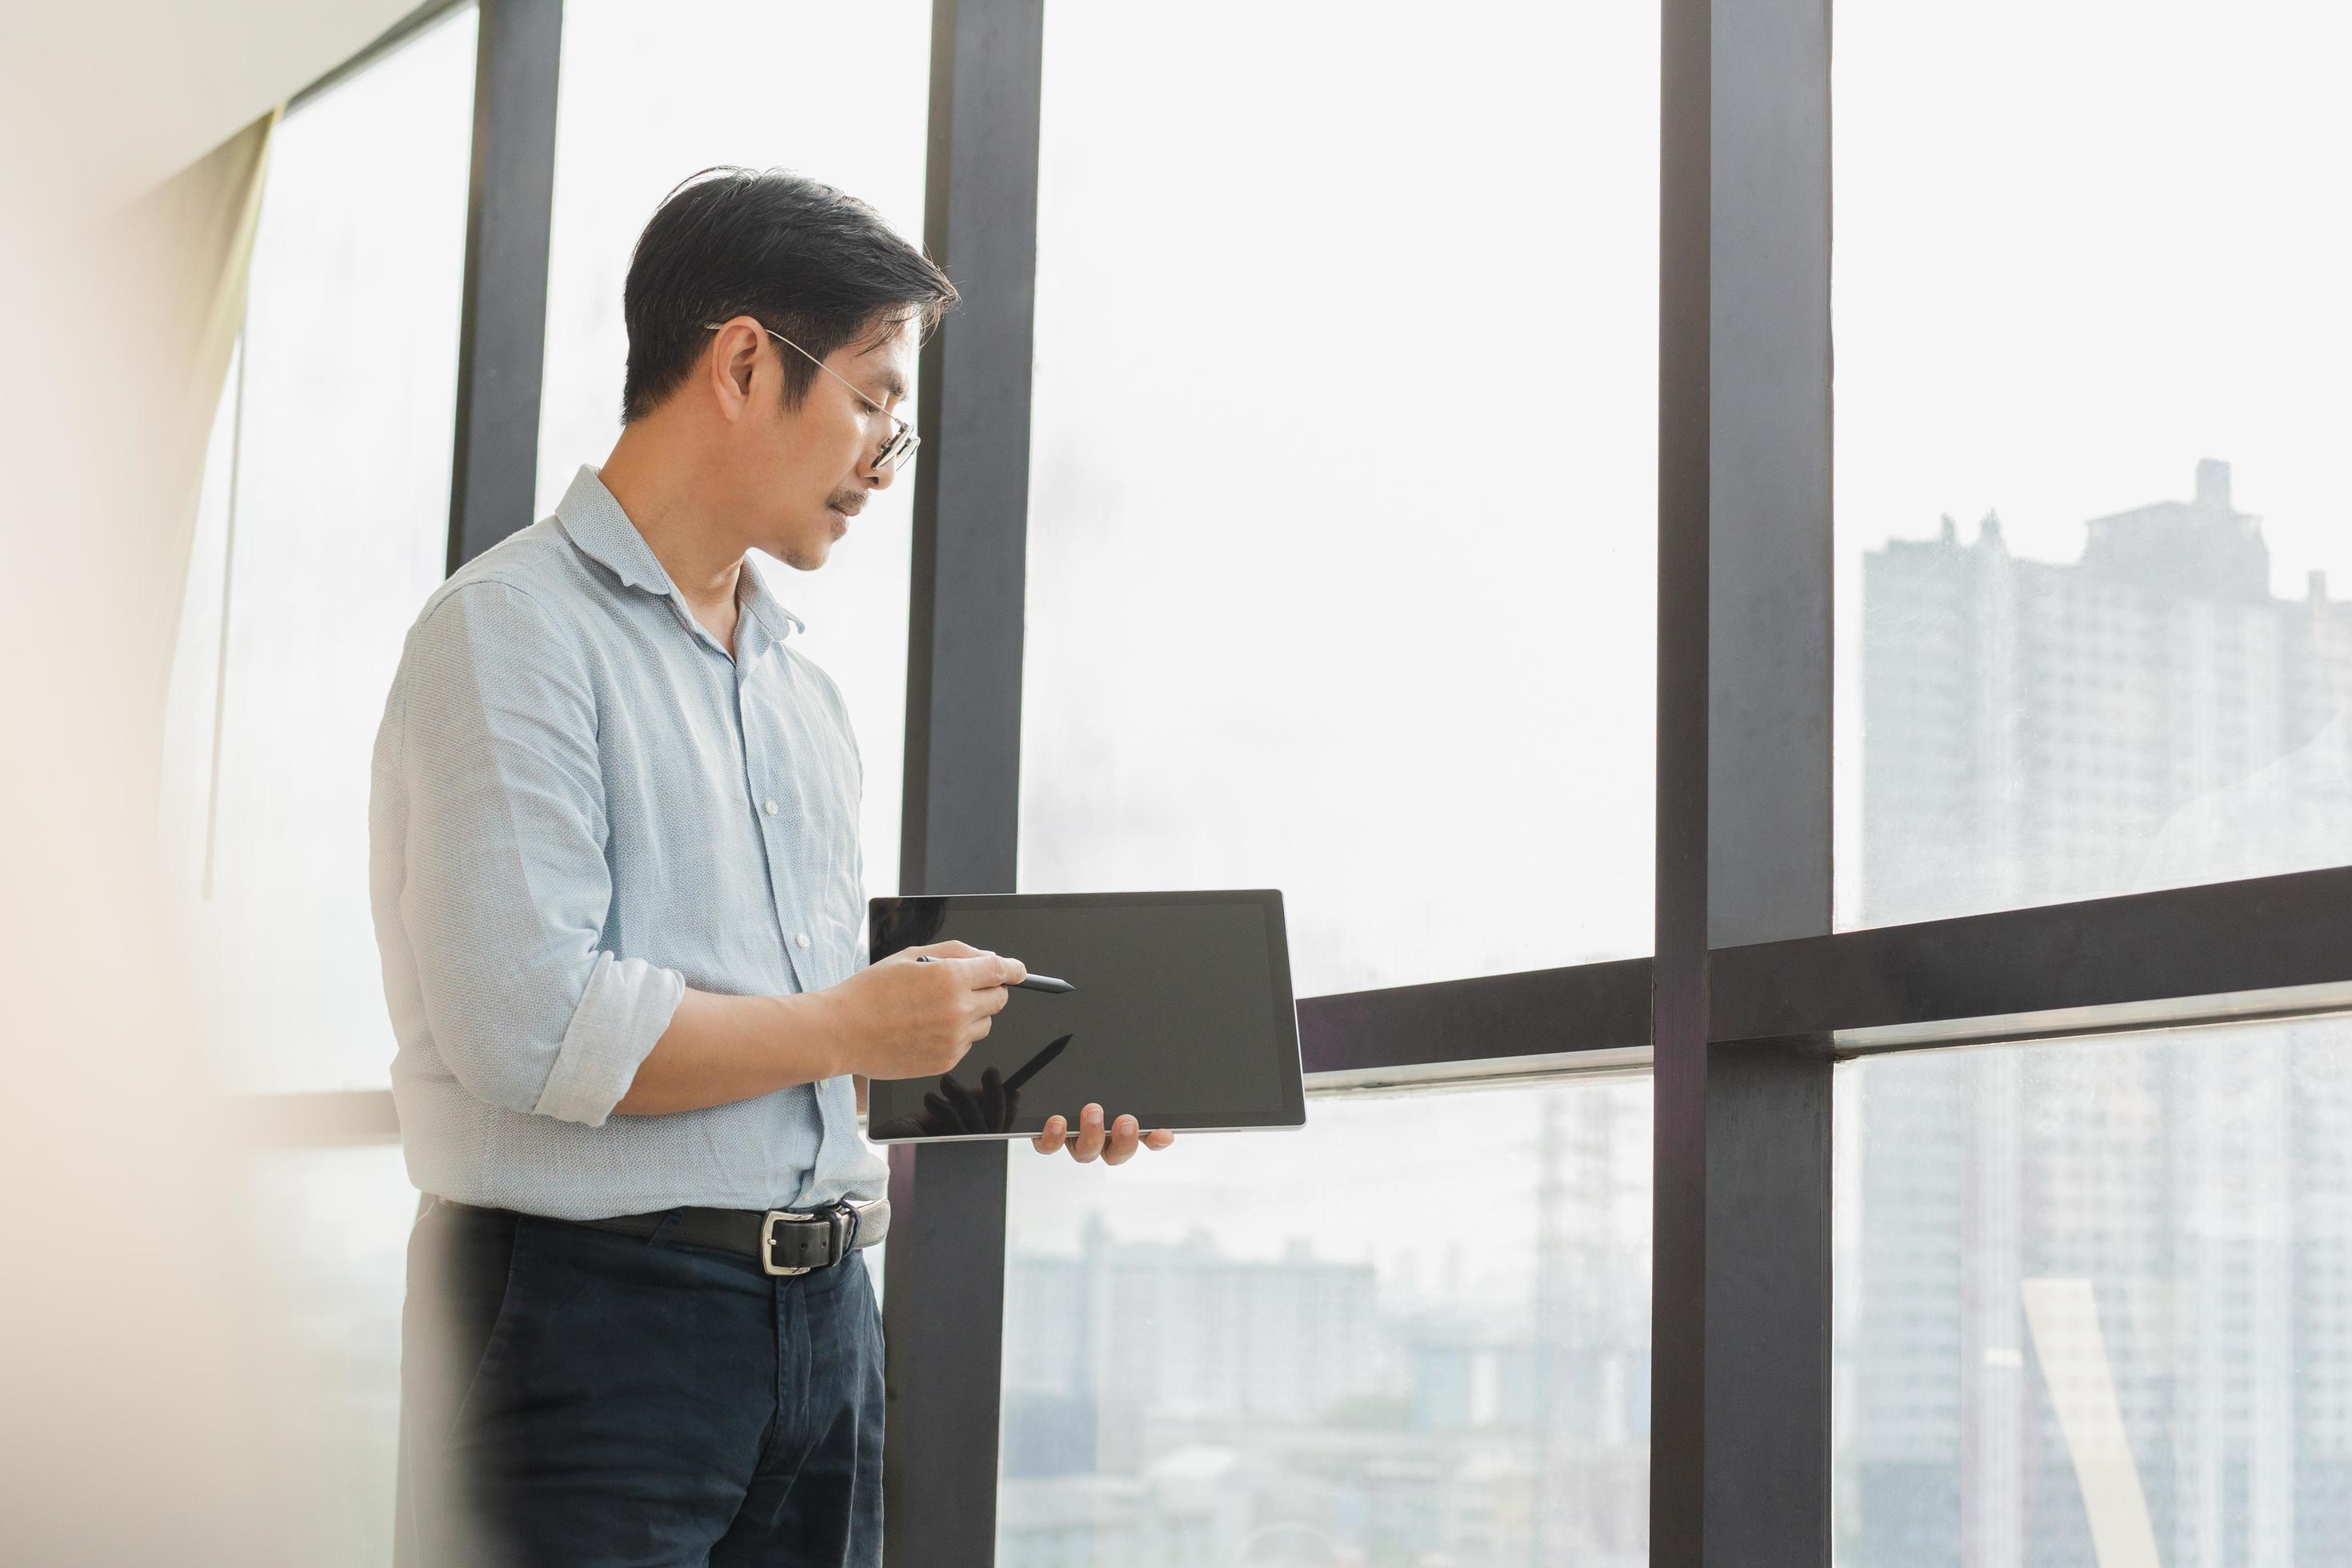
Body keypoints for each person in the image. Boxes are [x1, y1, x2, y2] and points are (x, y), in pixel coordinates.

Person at [369, 166, 1172, 1567]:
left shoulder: (803, 697)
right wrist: (853, 1024)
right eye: (872, 401)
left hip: (823, 1327)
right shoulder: (508, 632)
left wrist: (1013, 1069)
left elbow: (800, 1053)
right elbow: (533, 1028)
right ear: (745, 363)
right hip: (585, 1326)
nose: (885, 459)